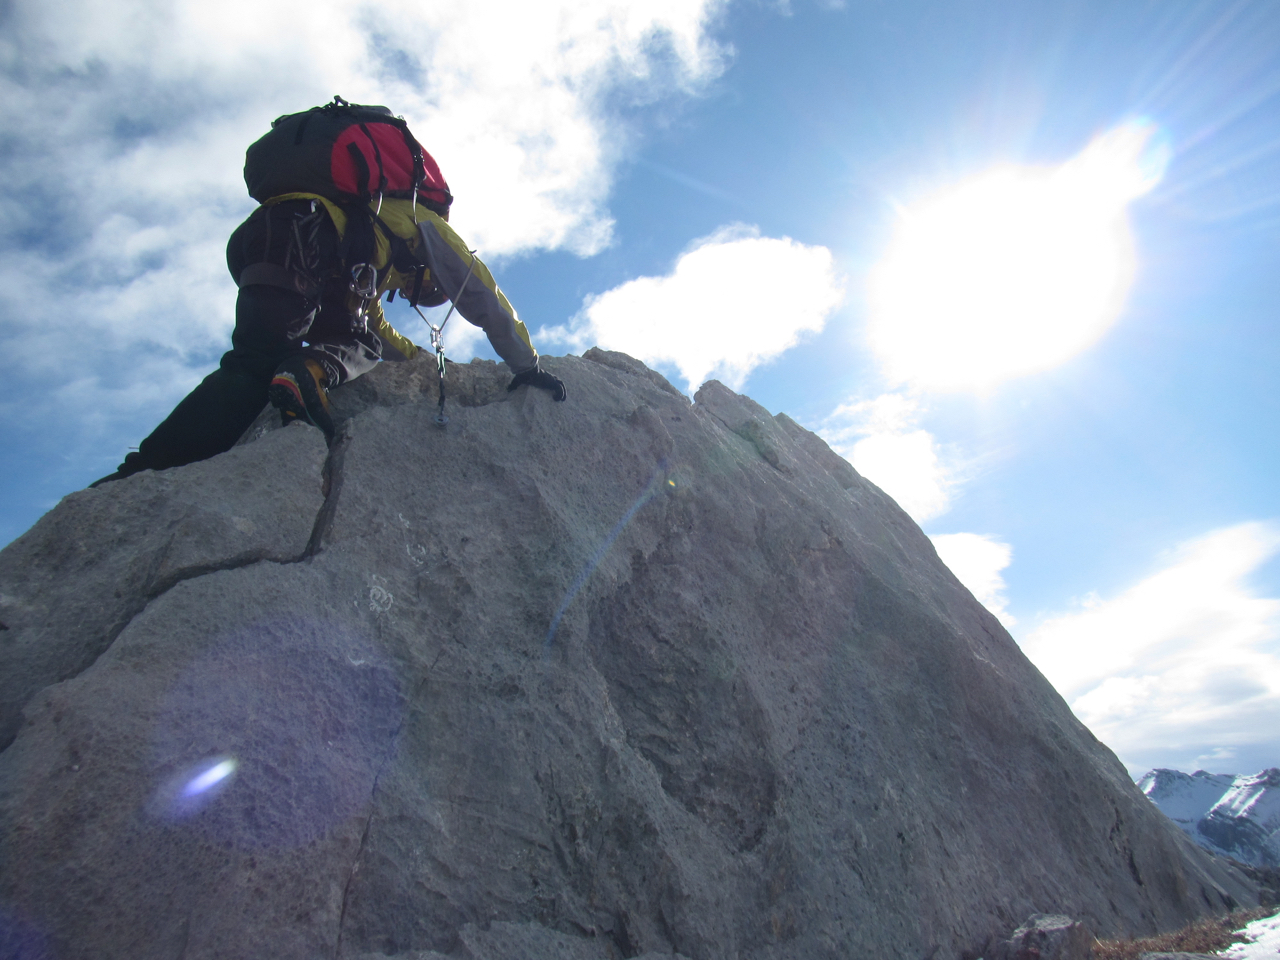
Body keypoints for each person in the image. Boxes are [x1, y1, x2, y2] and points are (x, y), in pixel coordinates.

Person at [93, 100, 565, 487]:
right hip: (315, 242)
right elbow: (481, 292)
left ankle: (142, 471)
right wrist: (527, 365)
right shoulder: (423, 223)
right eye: (430, 292)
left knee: (251, 364)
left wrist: (416, 358)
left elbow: (373, 321)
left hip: (263, 235)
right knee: (355, 345)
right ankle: (306, 373)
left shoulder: (372, 225)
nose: (422, 297)